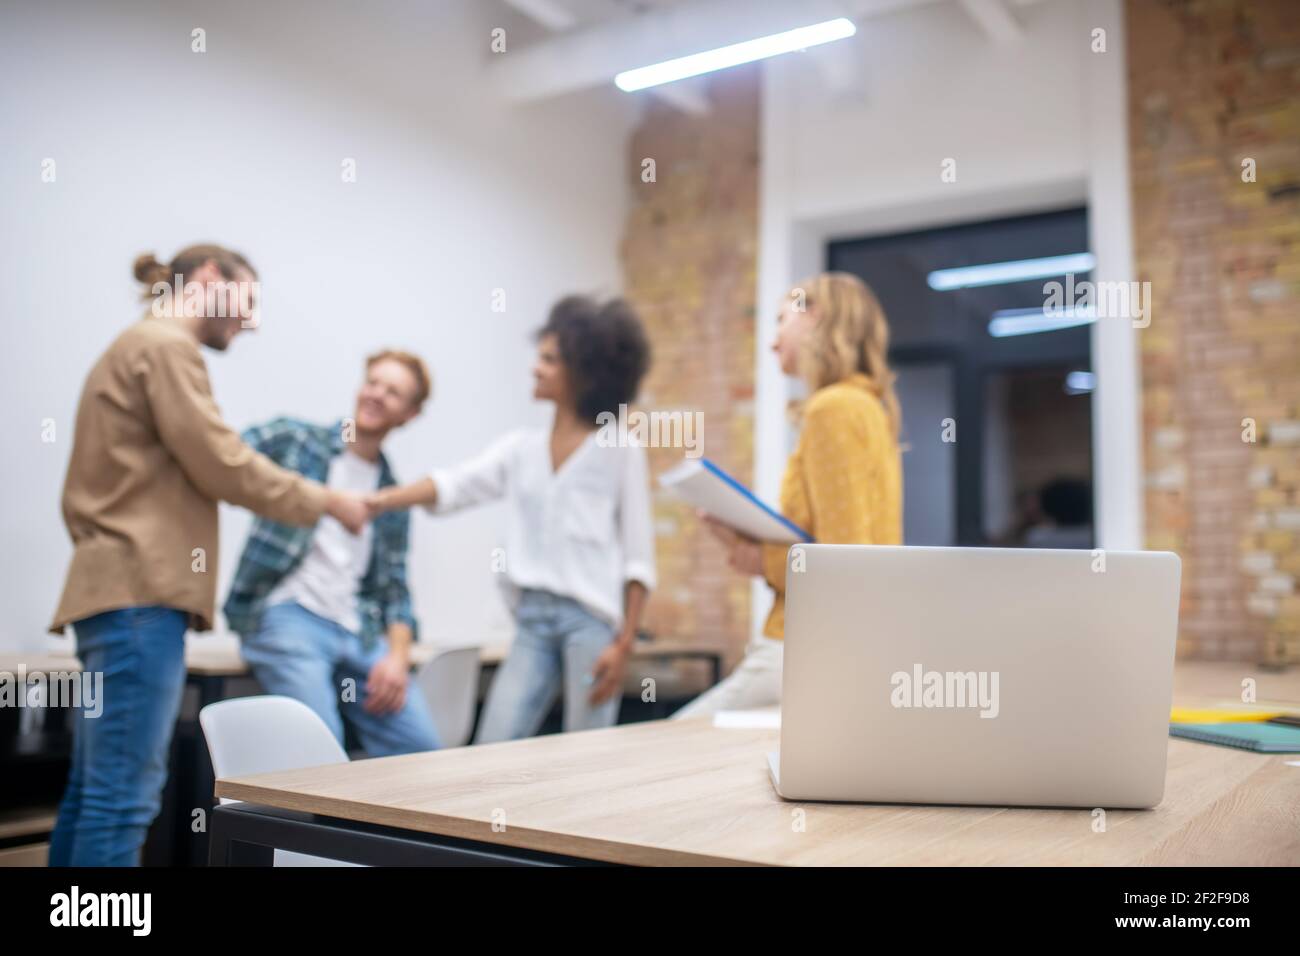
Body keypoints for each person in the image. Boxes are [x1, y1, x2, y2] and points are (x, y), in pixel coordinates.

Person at [48, 245, 368, 866]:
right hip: (139, 597)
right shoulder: (166, 348)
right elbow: (223, 463)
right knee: (121, 803)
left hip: (112, 597)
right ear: (211, 279)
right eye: (248, 301)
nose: (250, 322)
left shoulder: (136, 345)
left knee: (95, 795)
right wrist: (328, 500)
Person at [368, 296, 655, 742]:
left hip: (591, 623)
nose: (535, 368)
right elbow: (454, 485)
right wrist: (384, 499)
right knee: (493, 745)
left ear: (583, 370)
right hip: (532, 620)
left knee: (590, 751)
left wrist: (624, 645)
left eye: (548, 360)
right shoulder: (521, 449)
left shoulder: (620, 449)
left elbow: (639, 557)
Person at [673, 272, 904, 718]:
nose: (772, 340)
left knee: (656, 754)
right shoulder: (867, 407)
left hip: (802, 646)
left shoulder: (833, 408)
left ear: (814, 317)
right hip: (837, 648)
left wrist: (756, 557)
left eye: (781, 320)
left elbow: (843, 562)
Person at [223, 350, 441, 755]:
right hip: (289, 616)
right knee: (321, 750)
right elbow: (221, 455)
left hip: (357, 631)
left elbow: (395, 591)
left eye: (392, 392)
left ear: (409, 414)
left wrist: (397, 658)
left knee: (423, 751)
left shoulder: (393, 496)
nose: (376, 394)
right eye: (372, 382)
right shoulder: (298, 441)